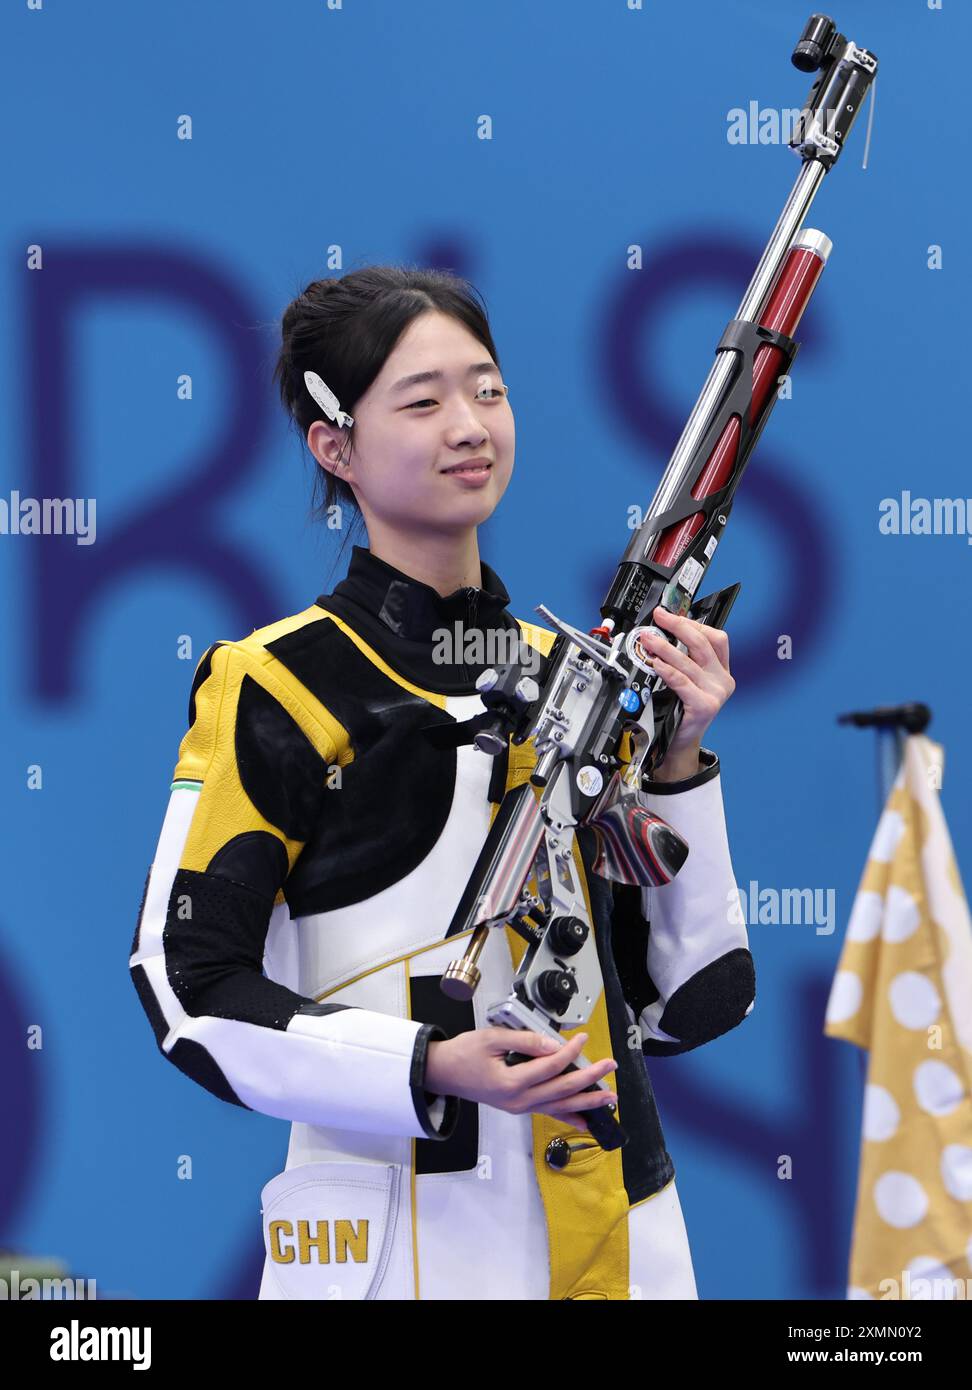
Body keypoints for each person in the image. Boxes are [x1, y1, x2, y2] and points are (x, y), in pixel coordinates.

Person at [129, 265, 755, 1301]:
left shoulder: (573, 684)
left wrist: (683, 758)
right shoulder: (275, 685)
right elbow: (185, 985)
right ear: (335, 445)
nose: (470, 425)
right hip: (398, 1254)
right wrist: (425, 1061)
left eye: (488, 389)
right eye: (422, 401)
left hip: (626, 1242)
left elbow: (693, 1005)